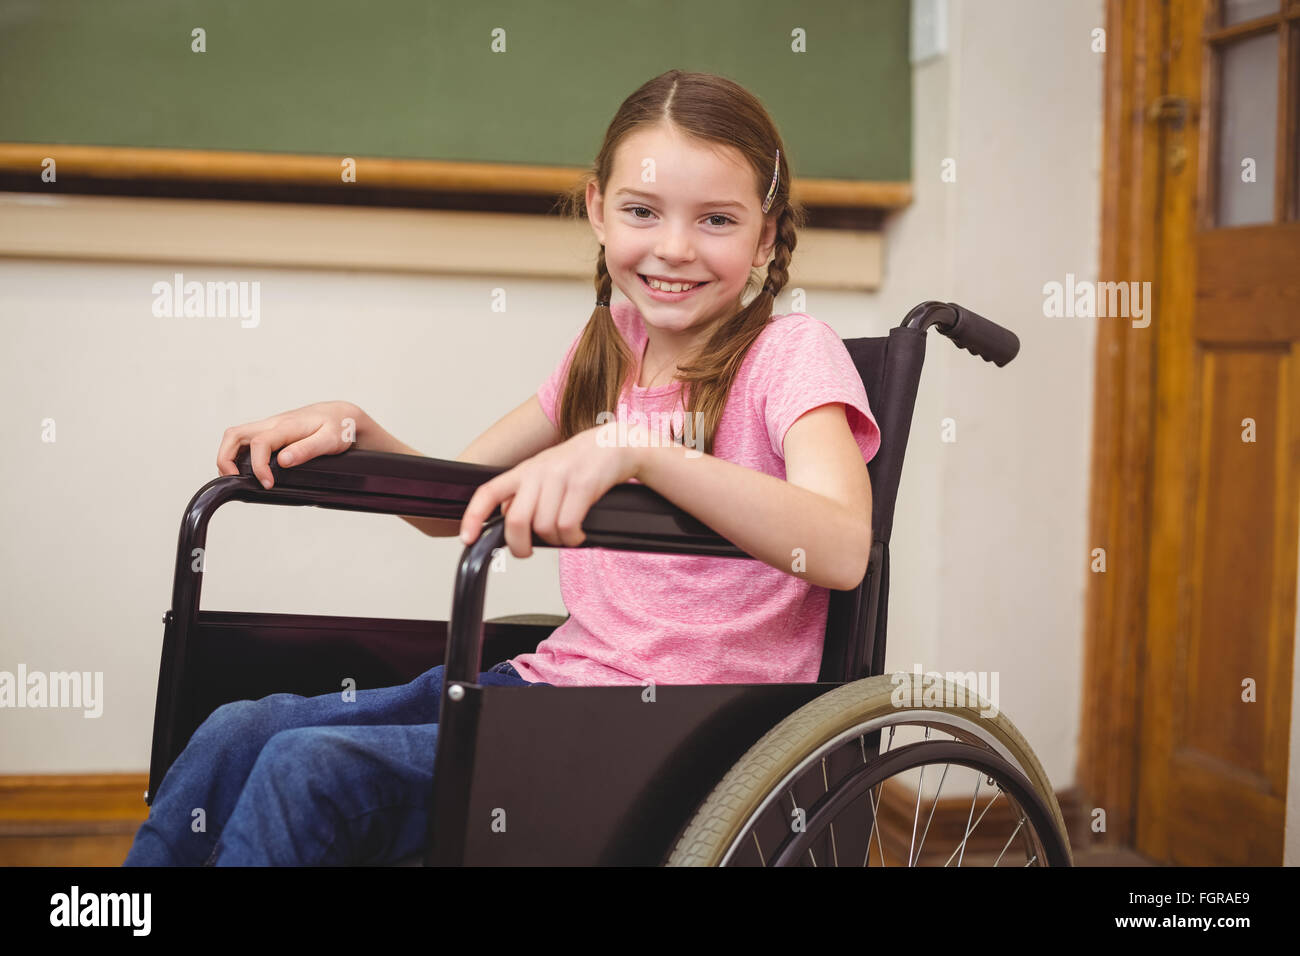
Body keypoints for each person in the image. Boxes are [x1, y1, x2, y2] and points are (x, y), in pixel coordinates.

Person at [123, 69, 880, 866]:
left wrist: (641, 453)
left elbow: (838, 546)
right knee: (239, 728)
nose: (675, 248)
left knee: (306, 769)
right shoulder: (609, 351)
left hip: (681, 736)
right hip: (550, 691)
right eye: (642, 212)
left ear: (765, 235)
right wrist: (360, 428)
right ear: (597, 209)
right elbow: (453, 505)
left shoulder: (791, 352)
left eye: (717, 220)